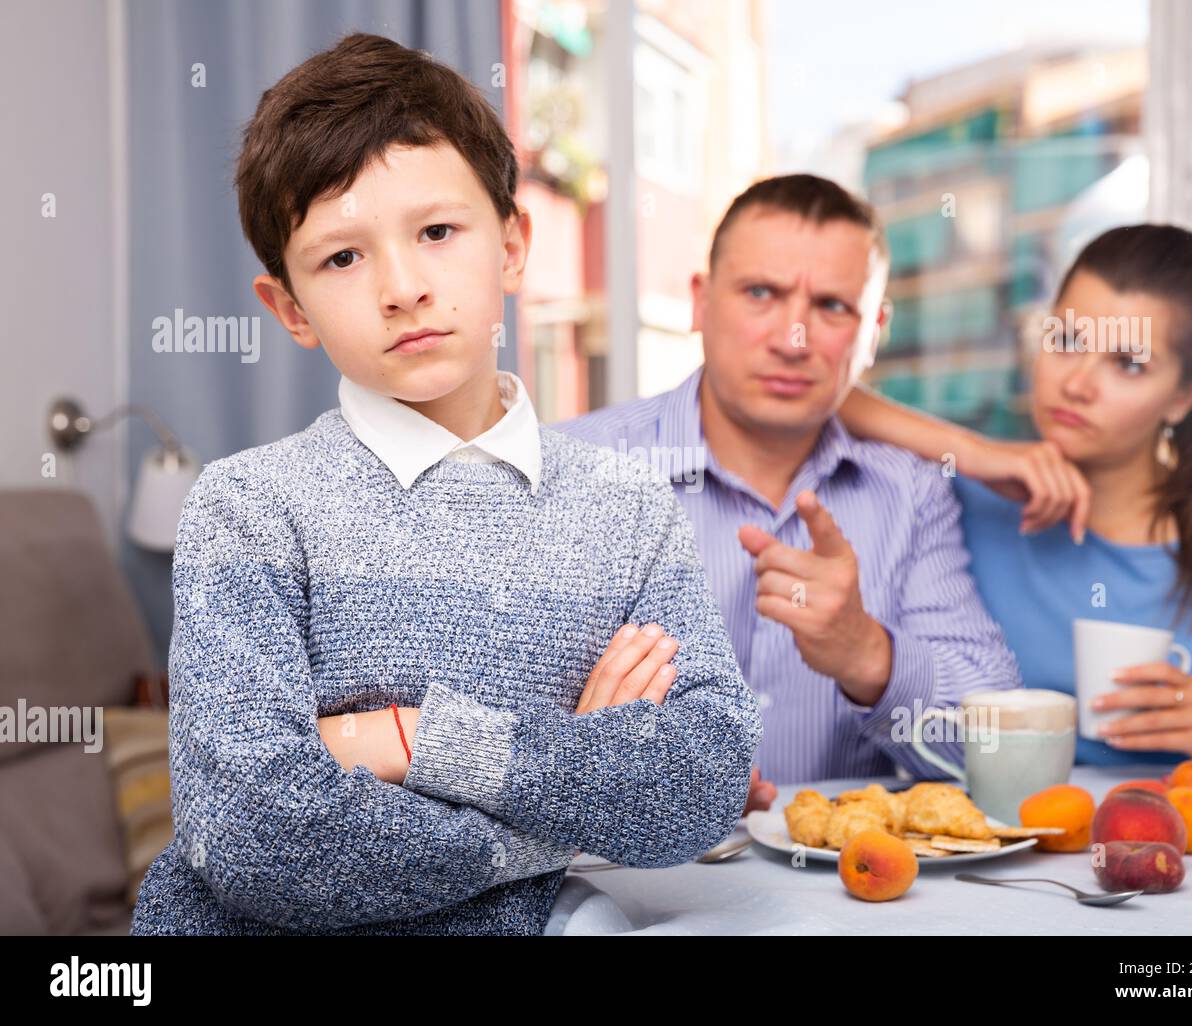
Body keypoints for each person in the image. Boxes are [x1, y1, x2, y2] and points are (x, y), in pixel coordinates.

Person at [130, 32, 761, 936]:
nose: (402, 287)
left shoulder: (626, 512)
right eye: (342, 258)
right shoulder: (248, 508)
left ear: (511, 248)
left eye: (436, 232)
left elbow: (700, 787)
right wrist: (571, 796)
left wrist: (412, 738)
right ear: (290, 308)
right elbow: (255, 839)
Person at [554, 175, 1021, 810]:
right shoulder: (572, 468)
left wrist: (869, 655)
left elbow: (1001, 745)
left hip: (858, 897)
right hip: (622, 891)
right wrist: (623, 772)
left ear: (874, 330)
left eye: (832, 306)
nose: (791, 339)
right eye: (761, 293)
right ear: (700, 302)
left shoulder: (911, 491)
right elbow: (476, 725)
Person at [836, 223, 1192, 777]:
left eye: (1128, 364)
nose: (1077, 383)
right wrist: (973, 452)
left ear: (1184, 395)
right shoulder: (965, 501)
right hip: (1005, 853)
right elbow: (822, 396)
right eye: (1067, 341)